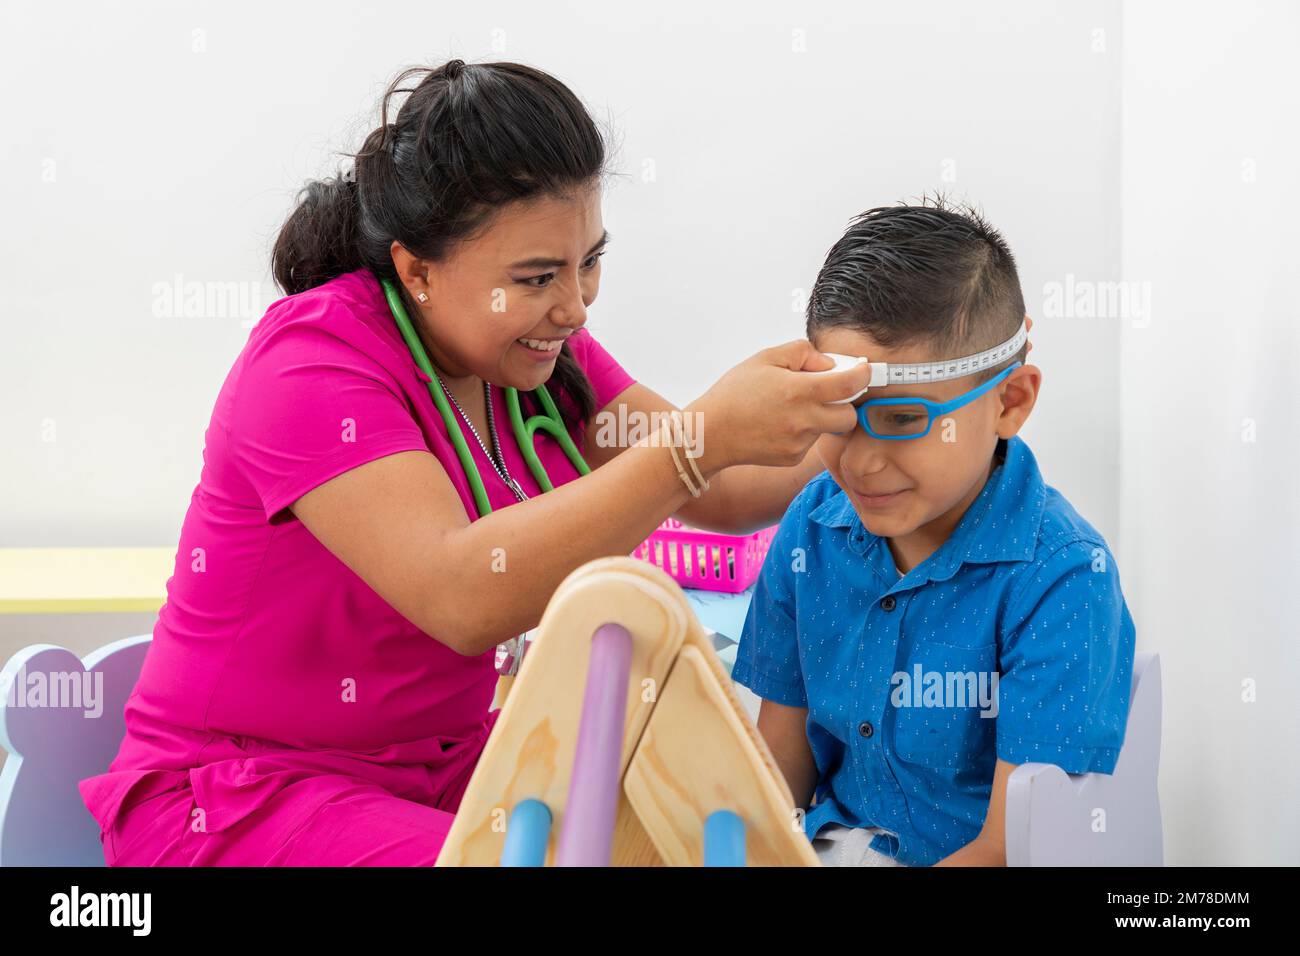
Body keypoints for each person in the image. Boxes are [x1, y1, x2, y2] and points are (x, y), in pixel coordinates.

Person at [76, 58, 874, 866]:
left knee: (680, 837)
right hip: (240, 797)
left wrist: (873, 415)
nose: (575, 305)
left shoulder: (531, 354)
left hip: (440, 772)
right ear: (417, 269)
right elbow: (462, 595)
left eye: (589, 260)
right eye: (535, 277)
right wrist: (693, 447)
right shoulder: (309, 362)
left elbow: (727, 485)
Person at [732, 199, 1135, 867]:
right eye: (837, 416)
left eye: (901, 420)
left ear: (1010, 402)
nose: (860, 461)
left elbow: (1009, 849)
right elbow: (778, 772)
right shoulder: (811, 527)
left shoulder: (1063, 578)